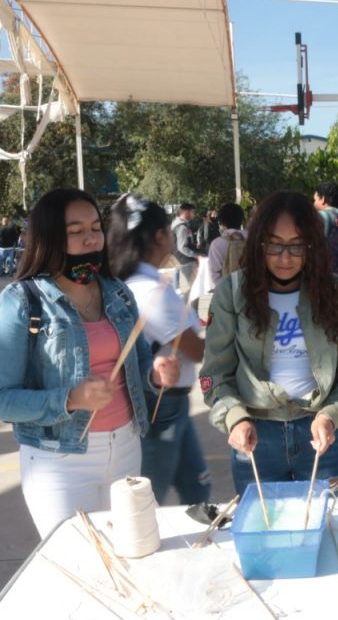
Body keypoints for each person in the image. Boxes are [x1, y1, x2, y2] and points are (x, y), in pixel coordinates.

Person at [0, 188, 180, 537]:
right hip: (58, 461)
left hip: (127, 448)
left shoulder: (118, 291)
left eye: (95, 228)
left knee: (130, 554)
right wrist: (70, 399)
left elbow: (139, 361)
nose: (91, 239)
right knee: (81, 565)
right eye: (75, 231)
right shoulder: (21, 302)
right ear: (51, 238)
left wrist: (155, 371)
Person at [200, 191, 338, 496]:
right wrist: (234, 419)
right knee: (265, 533)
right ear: (258, 244)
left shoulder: (335, 292)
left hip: (321, 434)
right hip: (255, 435)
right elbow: (216, 375)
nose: (284, 257)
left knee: (330, 529)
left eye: (296, 246)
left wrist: (331, 415)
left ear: (313, 247)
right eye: (274, 244)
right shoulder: (231, 293)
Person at [107, 194, 212, 506]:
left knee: (197, 488)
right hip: (162, 409)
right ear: (159, 236)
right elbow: (197, 351)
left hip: (170, 406)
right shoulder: (152, 290)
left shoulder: (130, 282)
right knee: (149, 501)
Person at [207, 202, 247, 285]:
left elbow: (214, 274)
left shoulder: (216, 244)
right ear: (241, 219)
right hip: (255, 289)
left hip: (229, 290)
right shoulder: (254, 238)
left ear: (221, 222)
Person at [170, 202, 204, 294]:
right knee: (194, 289)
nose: (194, 214)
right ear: (186, 212)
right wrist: (196, 255)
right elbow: (182, 247)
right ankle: (191, 308)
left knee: (193, 289)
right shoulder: (181, 227)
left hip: (181, 259)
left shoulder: (179, 224)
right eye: (193, 212)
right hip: (185, 260)